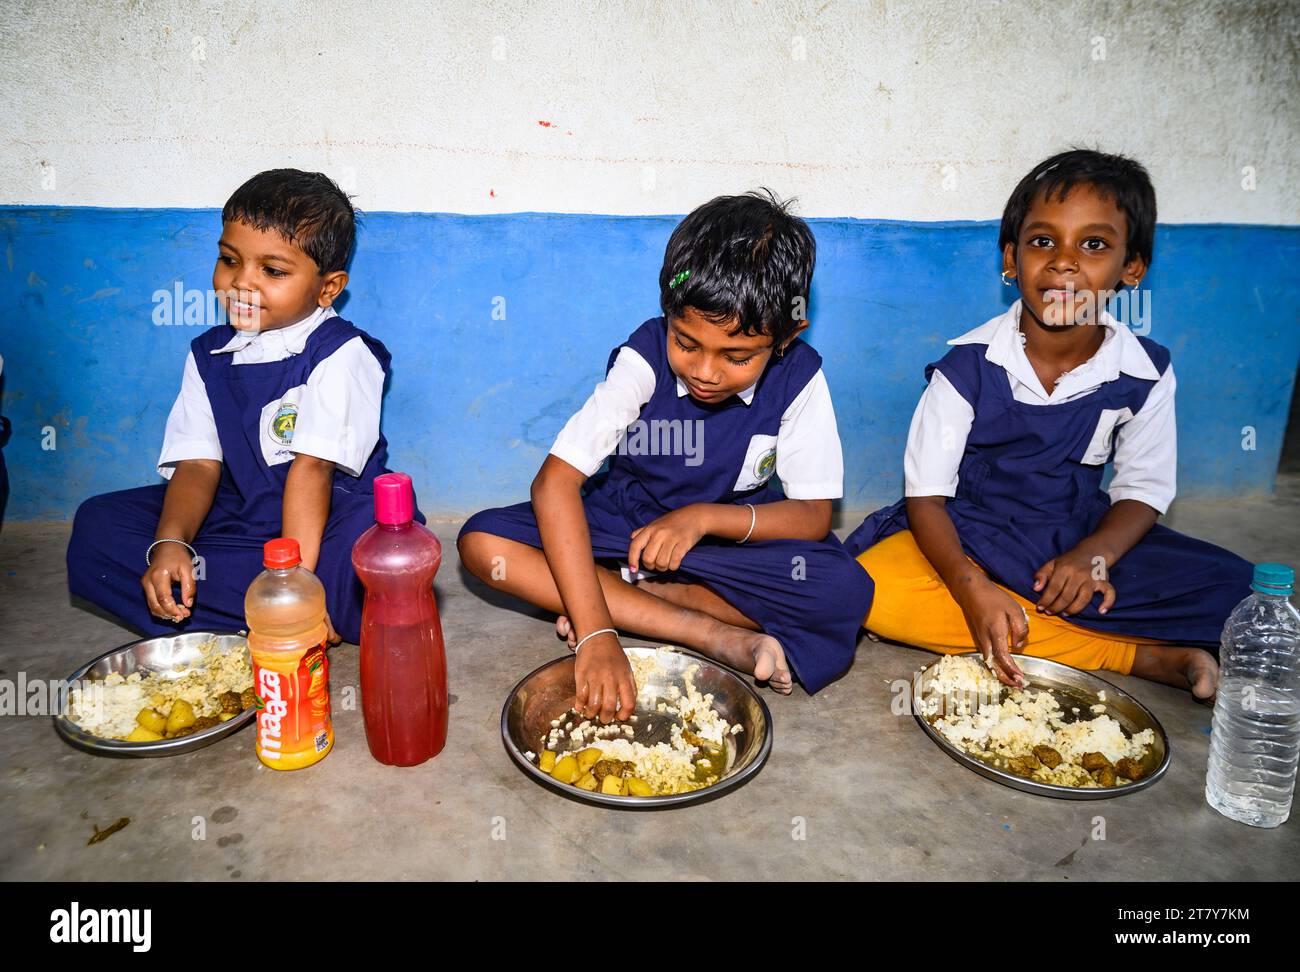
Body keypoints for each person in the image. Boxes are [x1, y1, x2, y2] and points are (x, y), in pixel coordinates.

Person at [847, 149, 1252, 700]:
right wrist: (970, 589)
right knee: (870, 590)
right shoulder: (967, 368)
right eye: (1043, 241)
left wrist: (1095, 558)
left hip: (1076, 535)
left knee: (1244, 598)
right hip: (971, 536)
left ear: (1131, 267)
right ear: (1011, 260)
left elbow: (1143, 490)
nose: (1064, 262)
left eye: (1094, 245)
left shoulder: (1145, 372)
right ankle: (1139, 655)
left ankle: (1028, 618)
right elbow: (927, 499)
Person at [459, 190, 872, 722]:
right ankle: (705, 632)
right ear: (668, 314)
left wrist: (701, 519)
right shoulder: (644, 357)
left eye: (737, 356)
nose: (705, 370)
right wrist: (597, 636)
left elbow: (813, 517)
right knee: (483, 544)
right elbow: (553, 486)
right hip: (622, 524)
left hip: (725, 541)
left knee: (842, 592)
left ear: (787, 336)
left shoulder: (801, 378)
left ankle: (629, 595)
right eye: (687, 343)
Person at [68, 169, 416, 645]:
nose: (242, 284)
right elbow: (197, 465)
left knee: (375, 558)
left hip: (330, 516)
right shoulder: (209, 355)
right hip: (243, 514)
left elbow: (312, 471)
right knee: (99, 528)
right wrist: (170, 546)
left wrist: (296, 583)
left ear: (328, 288)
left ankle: (295, 607)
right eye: (230, 260)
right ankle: (284, 614)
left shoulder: (341, 353)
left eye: (272, 271)